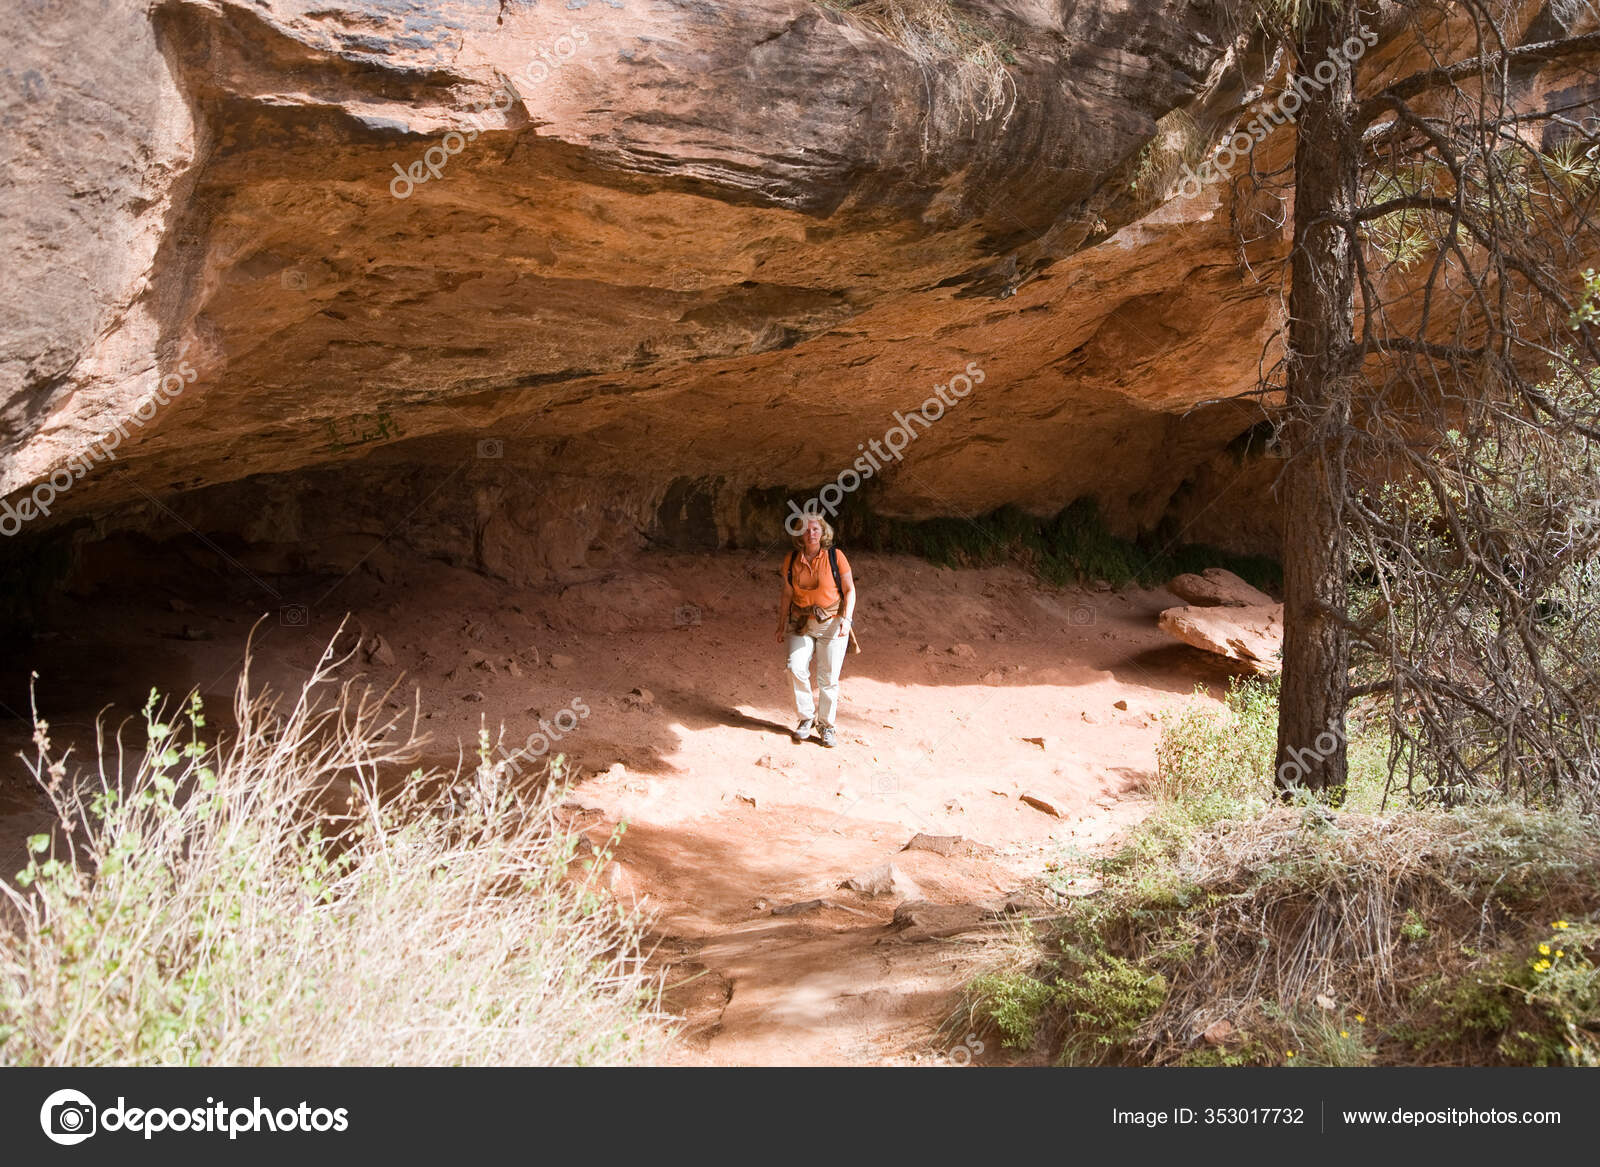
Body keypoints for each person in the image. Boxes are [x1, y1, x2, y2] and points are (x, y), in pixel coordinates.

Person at [775, 514, 855, 747]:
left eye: (816, 529)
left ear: (823, 532)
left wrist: (847, 619)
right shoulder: (791, 560)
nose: (812, 533)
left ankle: (826, 727)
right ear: (800, 534)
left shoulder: (835, 557)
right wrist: (781, 624)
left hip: (831, 623)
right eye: (807, 529)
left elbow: (850, 590)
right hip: (801, 622)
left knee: (828, 678)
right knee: (794, 667)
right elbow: (787, 594)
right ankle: (806, 718)